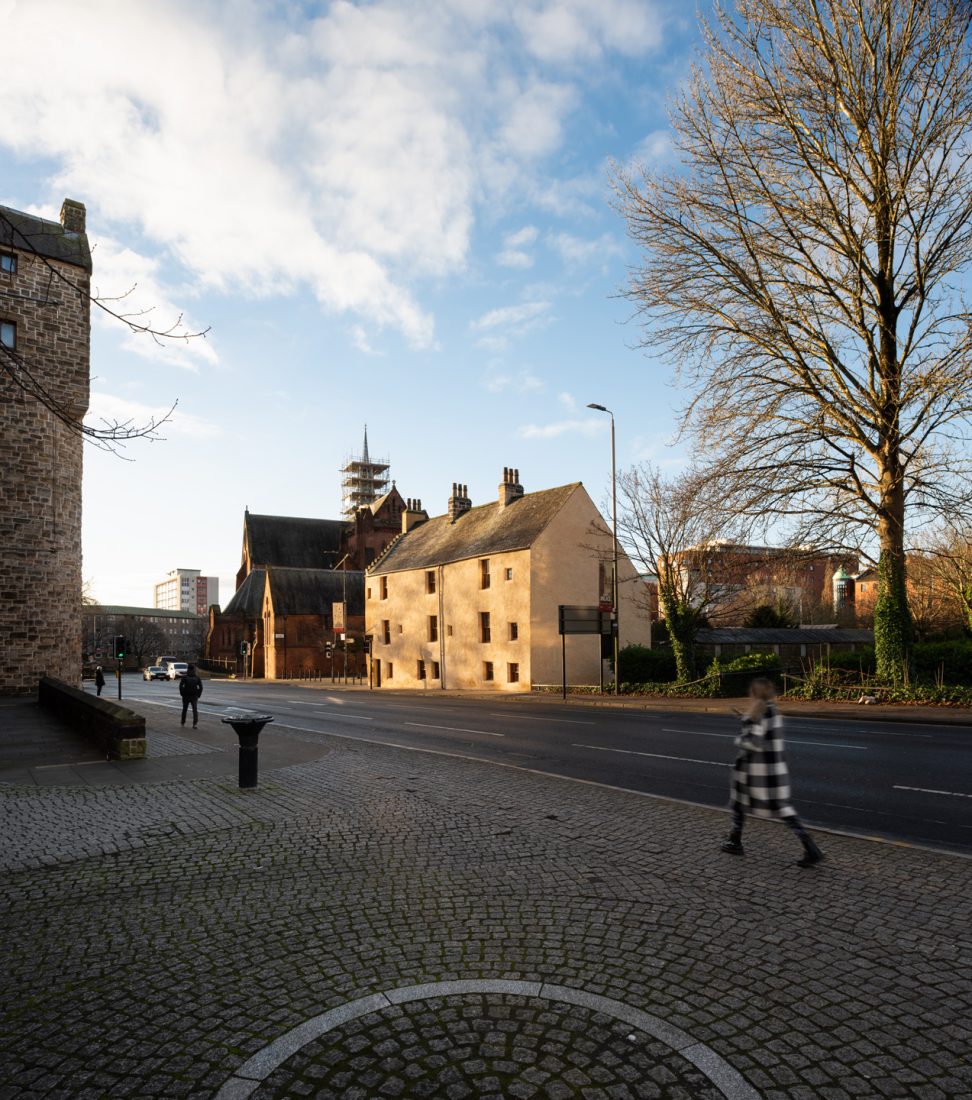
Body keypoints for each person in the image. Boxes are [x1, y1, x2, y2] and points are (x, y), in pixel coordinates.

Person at [722, 677, 824, 867]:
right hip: (772, 770)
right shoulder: (772, 710)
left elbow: (753, 741)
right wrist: (744, 718)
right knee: (777, 808)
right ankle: (810, 847)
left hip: (757, 771)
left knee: (743, 803)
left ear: (755, 693)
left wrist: (740, 738)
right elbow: (760, 729)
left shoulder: (762, 711)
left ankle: (735, 841)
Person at [179, 664, 203, 729]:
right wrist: (198, 695)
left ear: (188, 669)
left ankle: (183, 722)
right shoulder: (197, 677)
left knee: (184, 709)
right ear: (193, 670)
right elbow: (200, 687)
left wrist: (182, 693)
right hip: (194, 696)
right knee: (195, 710)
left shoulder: (185, 677)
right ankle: (195, 724)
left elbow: (181, 686)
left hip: (186, 696)